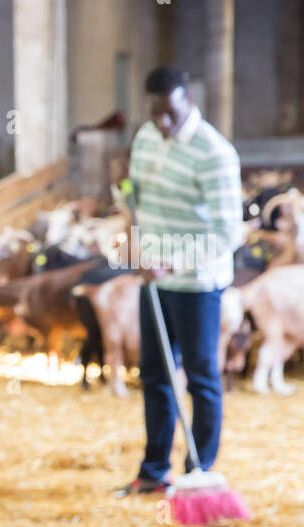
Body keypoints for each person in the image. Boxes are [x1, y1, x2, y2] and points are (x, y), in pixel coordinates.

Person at [114, 67, 245, 498]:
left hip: (198, 283)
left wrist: (175, 261)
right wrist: (123, 194)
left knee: (202, 375)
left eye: (169, 112)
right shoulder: (147, 136)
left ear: (187, 99)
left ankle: (198, 469)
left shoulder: (214, 152)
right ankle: (154, 470)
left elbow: (230, 232)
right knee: (155, 373)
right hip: (155, 279)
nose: (162, 122)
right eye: (155, 113)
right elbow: (139, 193)